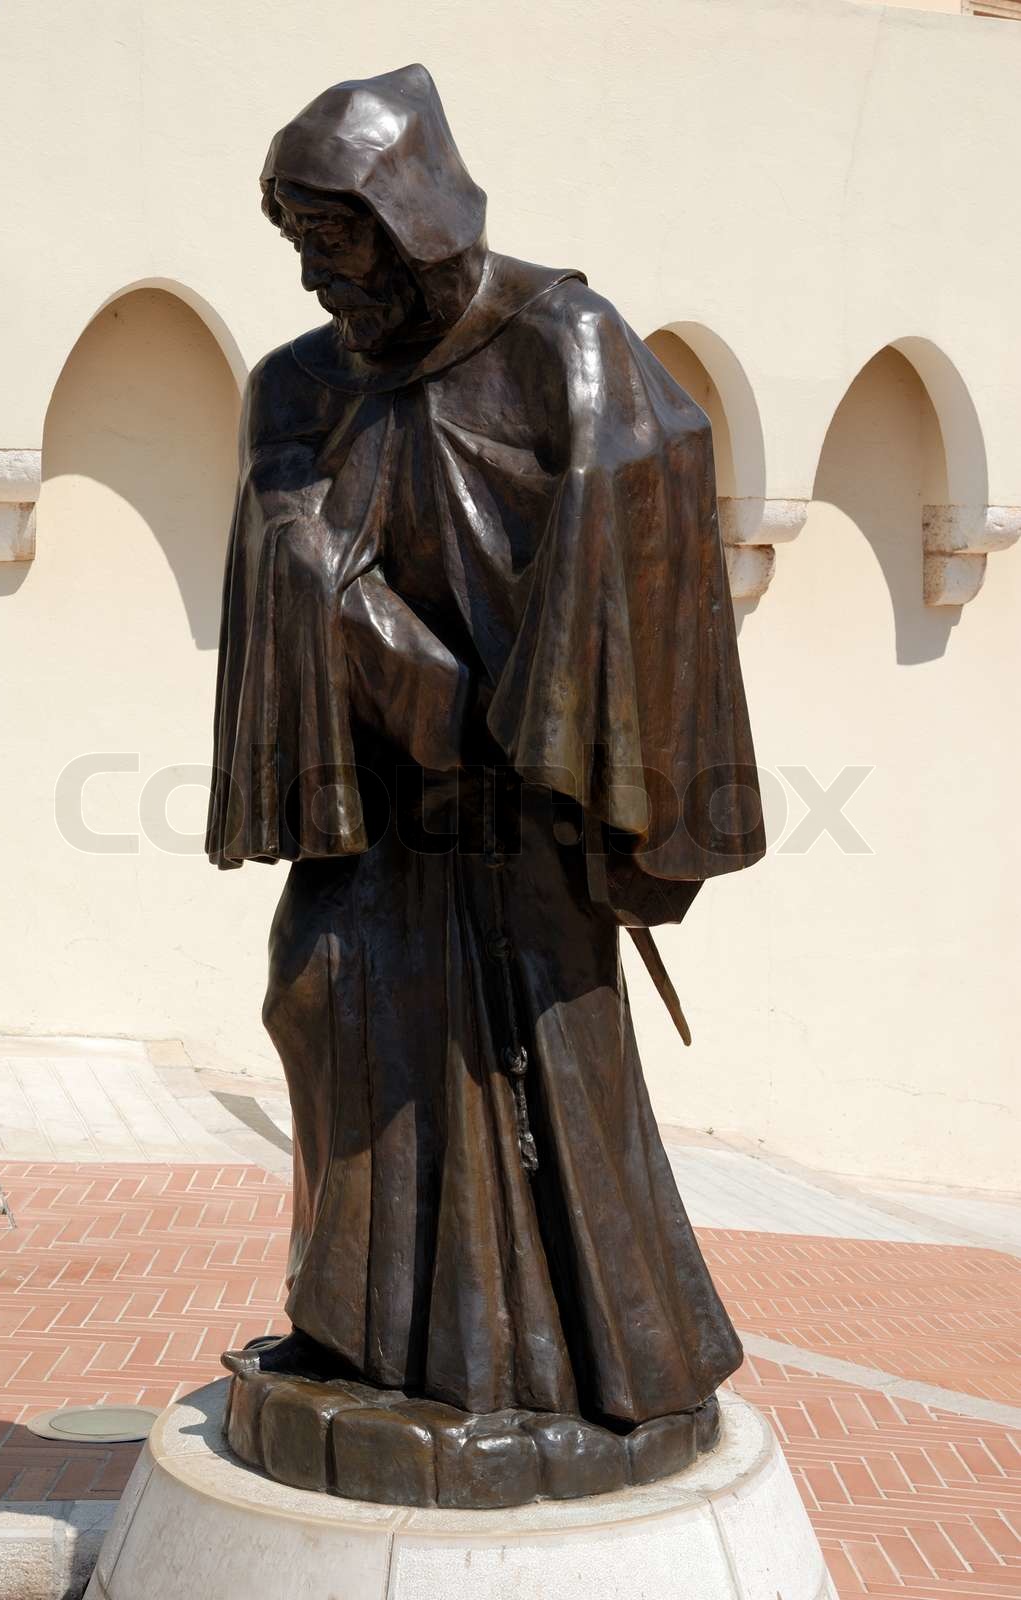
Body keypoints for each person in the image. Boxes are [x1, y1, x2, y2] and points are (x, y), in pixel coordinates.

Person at [207, 64, 765, 1429]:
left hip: (530, 797)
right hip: (383, 793)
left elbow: (645, 541)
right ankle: (357, 1332)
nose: (313, 277)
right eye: (297, 242)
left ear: (412, 221)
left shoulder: (564, 341)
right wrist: (384, 646)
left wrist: (550, 734)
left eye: (332, 240)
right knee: (318, 995)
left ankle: (568, 1369)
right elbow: (286, 551)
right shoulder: (298, 384)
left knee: (533, 1062)